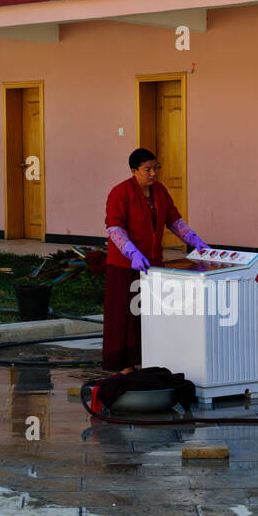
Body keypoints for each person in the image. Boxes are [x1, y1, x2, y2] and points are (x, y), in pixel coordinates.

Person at [103, 148, 209, 373]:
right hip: (124, 266)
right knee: (125, 317)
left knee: (148, 316)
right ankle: (124, 366)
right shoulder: (120, 192)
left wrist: (192, 238)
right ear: (134, 171)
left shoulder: (160, 192)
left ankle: (147, 360)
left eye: (155, 168)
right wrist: (131, 251)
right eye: (147, 169)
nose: (153, 173)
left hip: (152, 266)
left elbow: (173, 219)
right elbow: (114, 227)